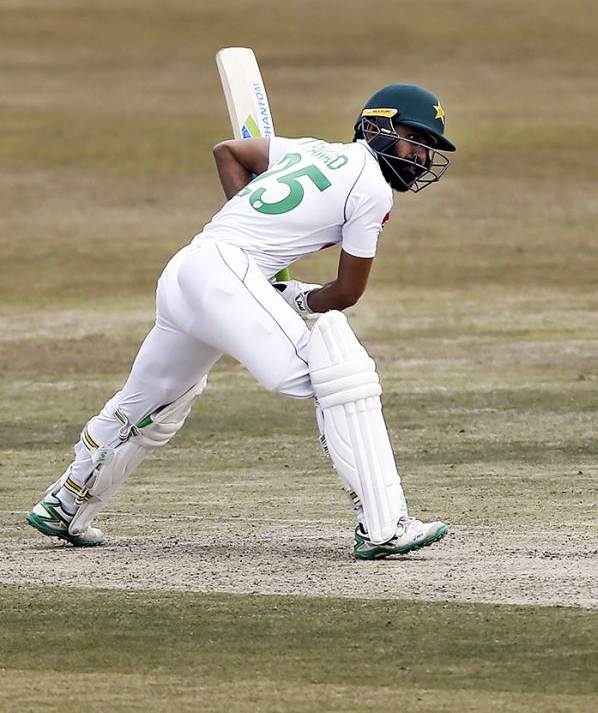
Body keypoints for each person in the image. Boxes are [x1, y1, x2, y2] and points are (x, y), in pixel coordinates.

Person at [26, 84, 455, 560]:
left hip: (189, 269)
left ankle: (65, 504)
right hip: (226, 275)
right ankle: (384, 524)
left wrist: (253, 241)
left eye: (428, 147)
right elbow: (347, 293)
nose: (420, 155)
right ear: (376, 126)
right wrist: (297, 297)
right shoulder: (372, 189)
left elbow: (230, 152)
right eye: (413, 138)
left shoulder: (310, 150)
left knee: (155, 402)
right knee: (339, 380)